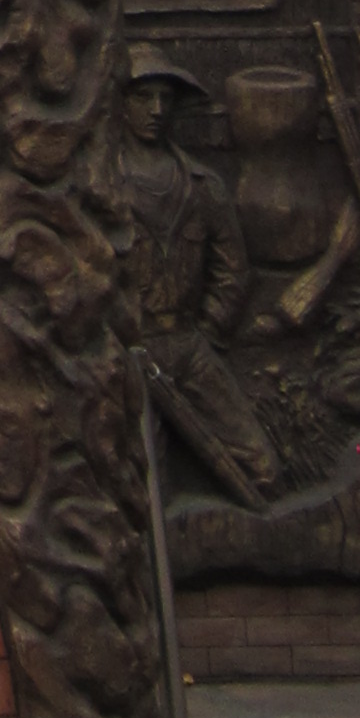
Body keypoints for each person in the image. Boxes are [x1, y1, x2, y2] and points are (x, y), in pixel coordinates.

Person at [114, 56, 281, 504]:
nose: (156, 109)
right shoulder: (104, 186)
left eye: (165, 99)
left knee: (263, 469)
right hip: (132, 351)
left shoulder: (204, 186)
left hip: (190, 346)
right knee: (146, 491)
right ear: (122, 105)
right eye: (143, 97)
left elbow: (233, 271)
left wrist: (208, 335)